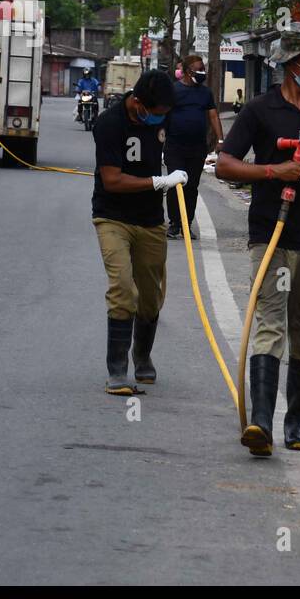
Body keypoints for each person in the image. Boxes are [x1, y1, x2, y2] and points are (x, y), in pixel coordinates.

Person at [215, 21, 300, 456]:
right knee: (270, 325)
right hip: (270, 233)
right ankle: (260, 423)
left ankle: (296, 424)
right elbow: (224, 165)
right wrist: (276, 171)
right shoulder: (259, 110)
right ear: (291, 65)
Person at [92, 69, 186, 396]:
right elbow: (112, 180)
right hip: (112, 217)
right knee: (122, 287)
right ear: (138, 103)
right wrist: (157, 182)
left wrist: (180, 171)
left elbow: (172, 148)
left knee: (150, 297)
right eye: (156, 113)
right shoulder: (109, 124)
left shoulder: (161, 120)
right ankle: (117, 371)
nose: (160, 119)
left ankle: (142, 355)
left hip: (150, 221)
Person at [165, 54, 223, 240]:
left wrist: (220, 140)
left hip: (197, 147)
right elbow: (163, 114)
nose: (202, 72)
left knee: (191, 187)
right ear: (188, 71)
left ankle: (186, 224)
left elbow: (213, 116)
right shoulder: (173, 91)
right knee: (176, 185)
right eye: (199, 69)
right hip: (175, 146)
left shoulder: (205, 93)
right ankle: (174, 223)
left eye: (203, 68)